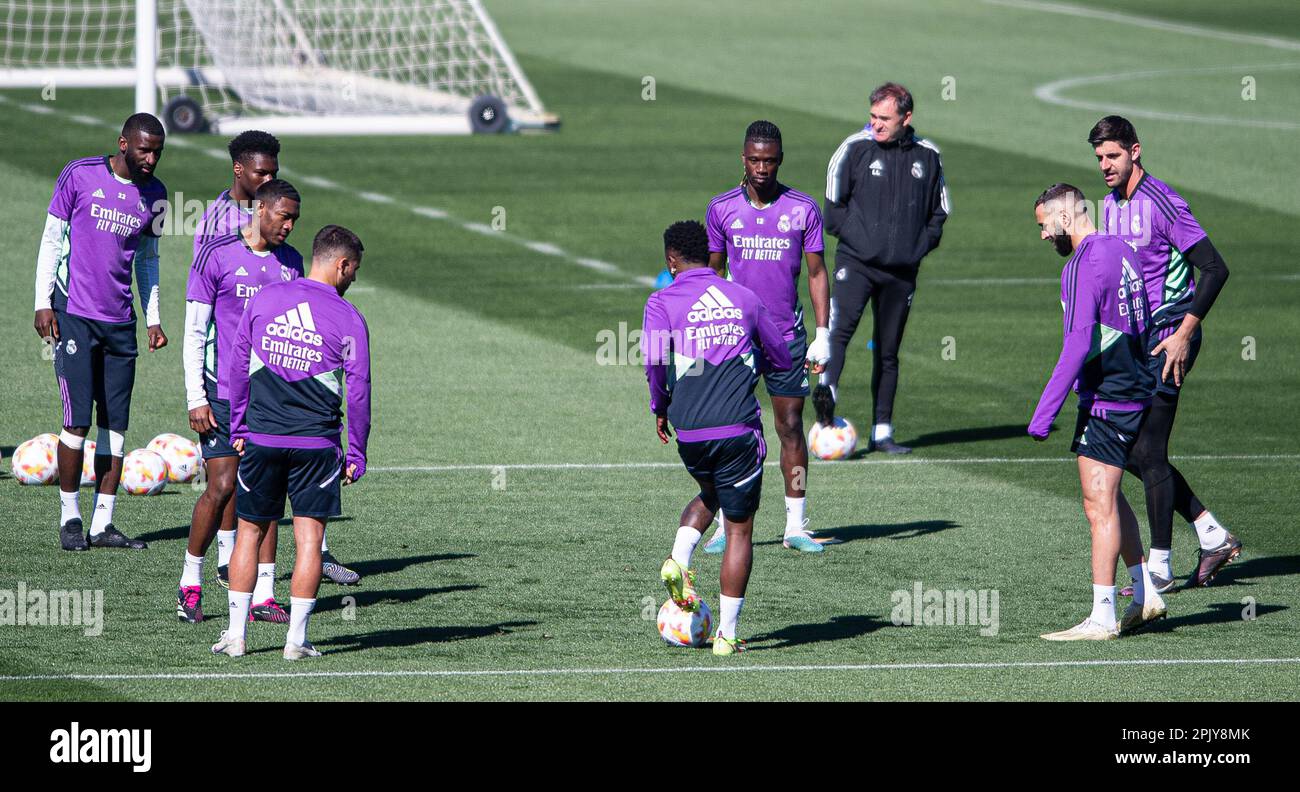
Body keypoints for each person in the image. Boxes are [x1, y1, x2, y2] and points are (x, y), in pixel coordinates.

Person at [1089, 115, 1240, 590]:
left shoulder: (1163, 203)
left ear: (1136, 151)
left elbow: (1215, 269)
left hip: (1171, 339)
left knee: (1149, 449)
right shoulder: (1111, 205)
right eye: (1099, 158)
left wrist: (1184, 333)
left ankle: (1159, 567)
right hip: (1138, 342)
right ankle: (1211, 533)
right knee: (1131, 450)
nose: (1105, 166)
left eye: (1112, 156)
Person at [211, 225, 371, 660]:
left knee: (248, 532)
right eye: (353, 269)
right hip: (317, 445)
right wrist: (356, 451)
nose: (353, 278)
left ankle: (236, 636)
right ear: (341, 264)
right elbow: (358, 390)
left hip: (260, 438)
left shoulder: (265, 299)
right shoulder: (350, 318)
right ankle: (296, 642)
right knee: (308, 539)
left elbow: (237, 365)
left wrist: (238, 428)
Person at [643, 221, 792, 655]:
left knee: (710, 490)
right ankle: (726, 635)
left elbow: (654, 363)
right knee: (740, 529)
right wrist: (751, 361)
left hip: (689, 430)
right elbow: (780, 355)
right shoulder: (744, 297)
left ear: (672, 261)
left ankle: (680, 559)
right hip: (737, 428)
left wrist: (660, 406)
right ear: (711, 254)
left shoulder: (661, 300)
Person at [1028, 184, 1165, 640]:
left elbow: (1077, 345)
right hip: (1134, 388)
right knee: (1112, 495)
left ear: (1065, 218)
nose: (1044, 236)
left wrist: (1043, 414)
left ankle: (1103, 616)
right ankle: (1146, 593)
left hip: (1108, 397)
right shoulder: (1120, 248)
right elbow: (1142, 315)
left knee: (1097, 501)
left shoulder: (1081, 265)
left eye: (1044, 224)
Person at [34, 112, 168, 552]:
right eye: (144, 149)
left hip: (120, 323)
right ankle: (70, 517)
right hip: (73, 312)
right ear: (123, 143)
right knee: (77, 422)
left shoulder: (156, 196)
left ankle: (102, 524)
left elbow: (147, 259)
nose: (151, 158)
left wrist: (152, 317)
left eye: (158, 151)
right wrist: (42, 302)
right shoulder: (81, 174)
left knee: (115, 427)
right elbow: (52, 238)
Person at [178, 179, 304, 624]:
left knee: (269, 492)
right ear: (261, 209)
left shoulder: (292, 264)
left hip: (270, 397)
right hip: (221, 392)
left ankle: (264, 595)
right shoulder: (218, 256)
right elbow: (195, 331)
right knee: (222, 486)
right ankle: (190, 582)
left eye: (295, 219)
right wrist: (196, 397)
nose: (289, 226)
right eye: (283, 216)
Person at [703, 120, 829, 554]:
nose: (761, 168)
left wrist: (823, 334)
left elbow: (816, 273)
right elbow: (712, 273)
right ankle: (724, 524)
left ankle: (795, 526)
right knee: (730, 430)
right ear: (743, 158)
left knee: (790, 426)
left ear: (780, 160)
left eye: (770, 160)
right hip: (735, 338)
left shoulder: (802, 209)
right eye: (755, 160)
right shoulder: (721, 209)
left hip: (786, 336)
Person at [819, 82, 949, 453]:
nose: (875, 124)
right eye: (873, 116)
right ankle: (826, 417)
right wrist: (863, 242)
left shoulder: (928, 155)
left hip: (901, 273)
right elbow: (833, 208)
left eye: (884, 119)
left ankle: (882, 431)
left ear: (906, 118)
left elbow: (940, 211)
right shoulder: (853, 148)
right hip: (856, 265)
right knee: (838, 336)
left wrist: (916, 248)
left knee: (888, 350)